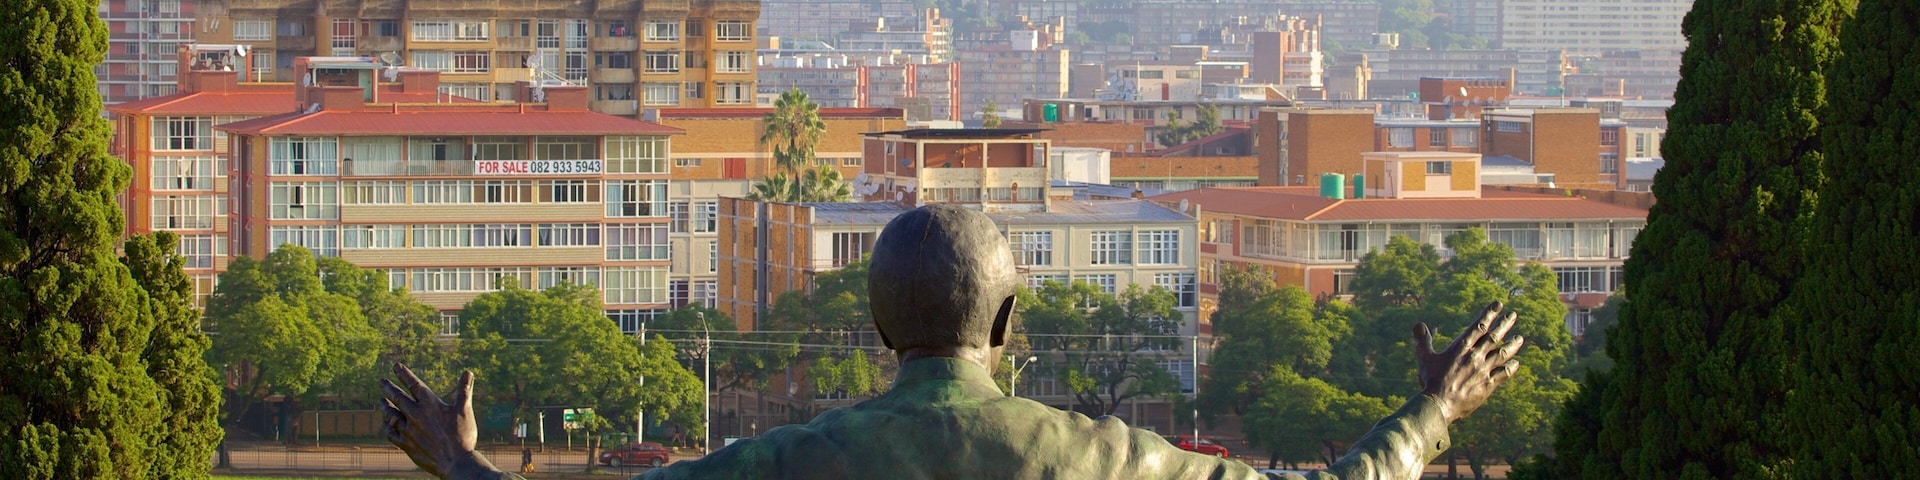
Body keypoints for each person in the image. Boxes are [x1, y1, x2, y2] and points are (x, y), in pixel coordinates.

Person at [380, 205, 1526, 480]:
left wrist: (462, 462)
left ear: (881, 326)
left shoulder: (803, 458)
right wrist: (1436, 411)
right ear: (1012, 326)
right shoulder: (1102, 456)